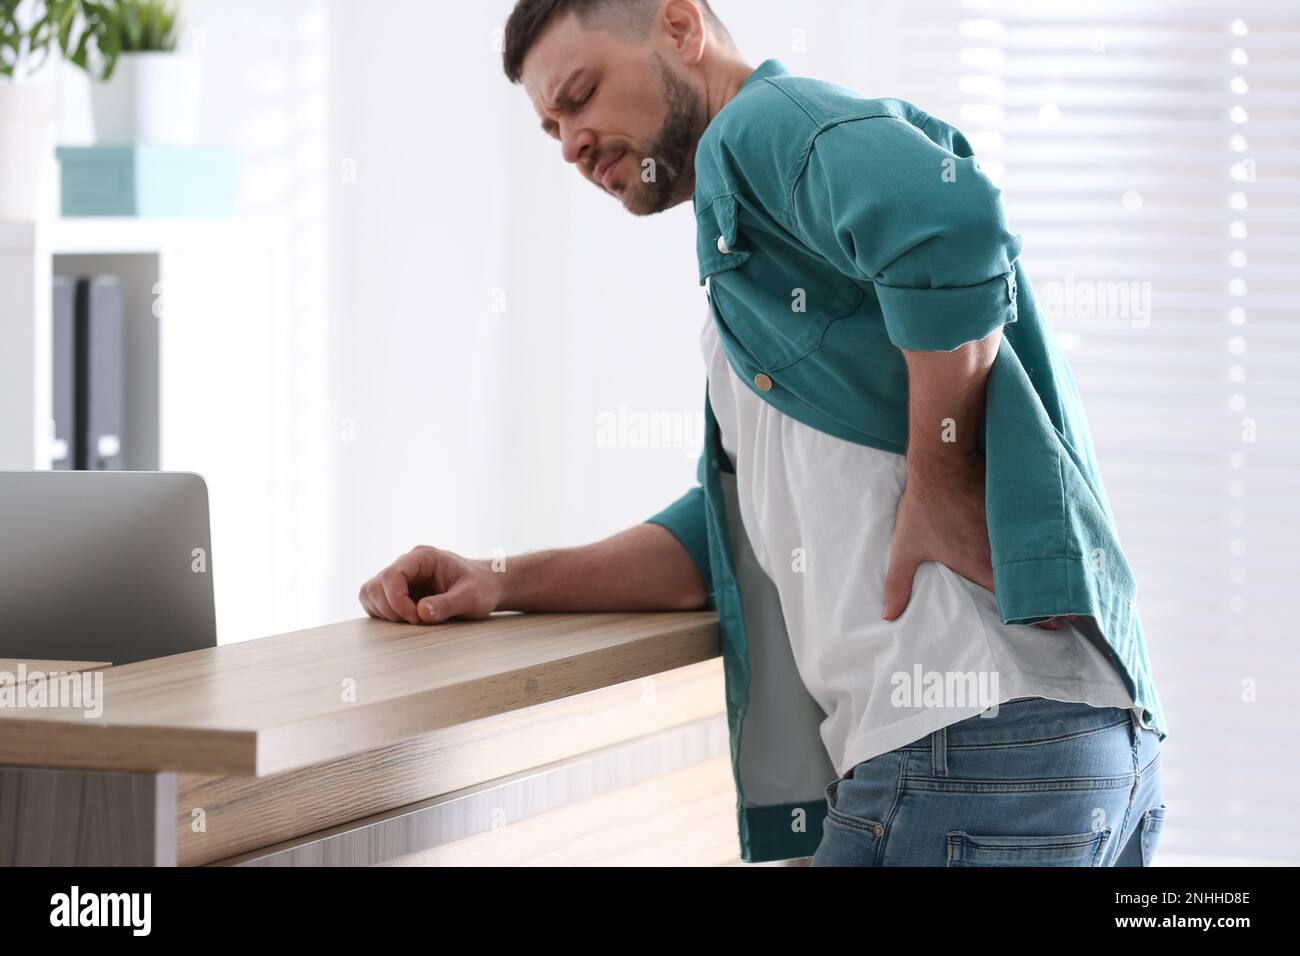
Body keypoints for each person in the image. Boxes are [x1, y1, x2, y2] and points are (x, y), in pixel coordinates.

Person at [359, 0, 1168, 867]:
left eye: (582, 95)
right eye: (552, 127)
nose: (571, 144)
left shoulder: (756, 129)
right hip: (1064, 750)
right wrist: (500, 578)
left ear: (678, 26)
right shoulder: (755, 263)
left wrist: (941, 476)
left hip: (968, 744)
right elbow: (724, 537)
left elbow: (953, 224)